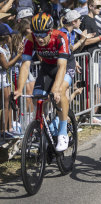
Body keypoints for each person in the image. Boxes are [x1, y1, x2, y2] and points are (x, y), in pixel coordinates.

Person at [13, 13, 74, 151]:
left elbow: (62, 66)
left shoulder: (60, 37)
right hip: (47, 68)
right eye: (37, 34)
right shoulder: (30, 39)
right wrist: (19, 89)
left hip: (65, 66)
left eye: (43, 34)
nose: (39, 38)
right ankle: (45, 127)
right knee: (37, 97)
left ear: (50, 31)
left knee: (60, 92)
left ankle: (63, 132)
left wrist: (56, 89)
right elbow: (25, 65)